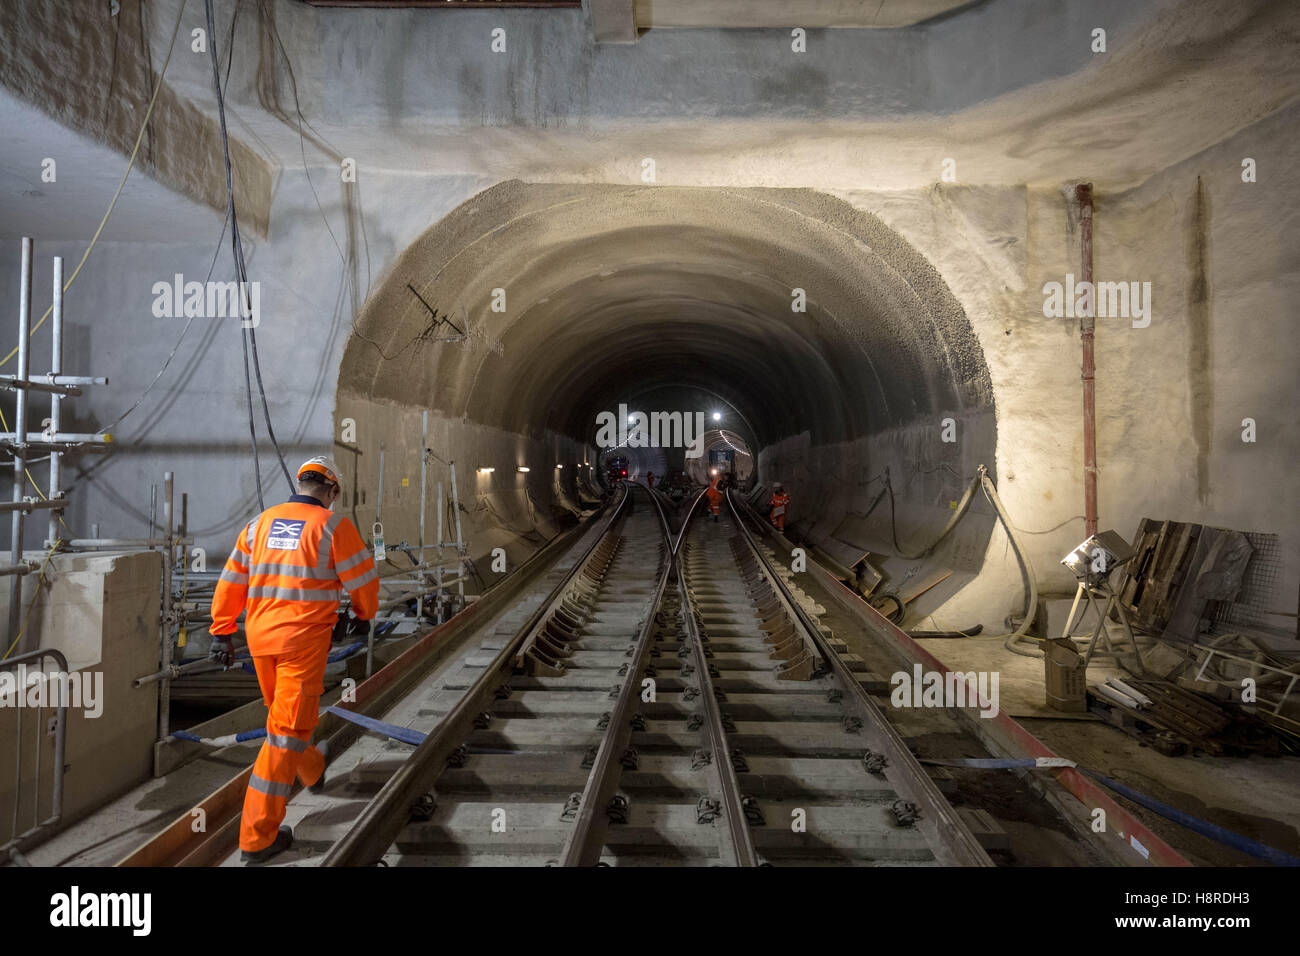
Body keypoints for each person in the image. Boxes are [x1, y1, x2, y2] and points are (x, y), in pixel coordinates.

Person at [209, 455, 379, 864]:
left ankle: (312, 766)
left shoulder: (258, 524)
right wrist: (362, 615)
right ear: (332, 491)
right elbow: (363, 580)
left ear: (300, 483)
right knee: (284, 734)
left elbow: (232, 578)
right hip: (302, 643)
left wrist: (221, 630)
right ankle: (257, 837)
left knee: (284, 718)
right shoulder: (333, 526)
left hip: (261, 639)